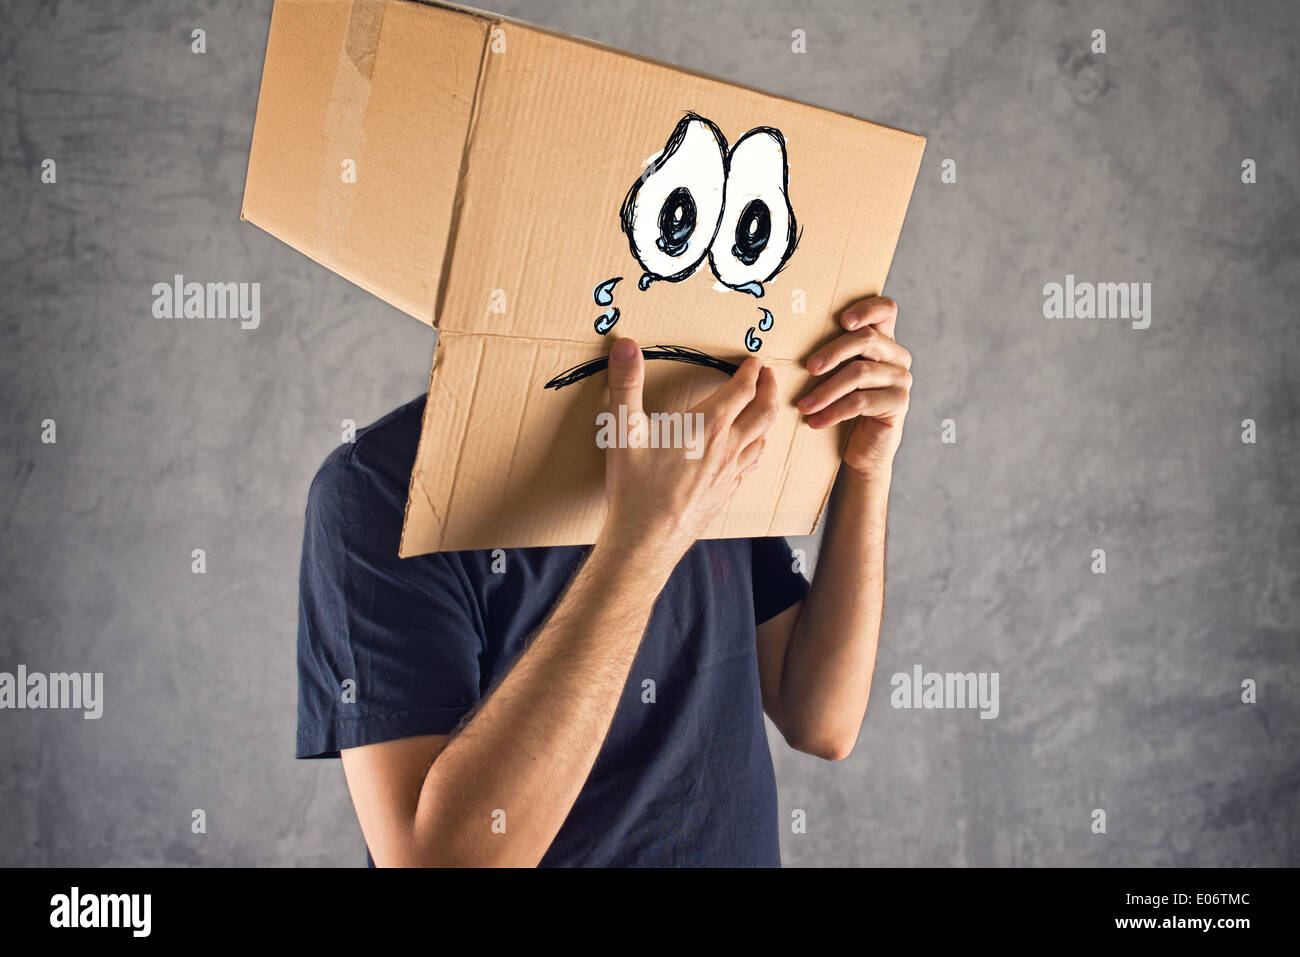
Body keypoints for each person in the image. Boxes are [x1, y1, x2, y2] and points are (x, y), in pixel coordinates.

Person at [296, 295, 912, 866]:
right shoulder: (384, 489)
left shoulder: (696, 435)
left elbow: (822, 718)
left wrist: (867, 467)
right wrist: (645, 541)